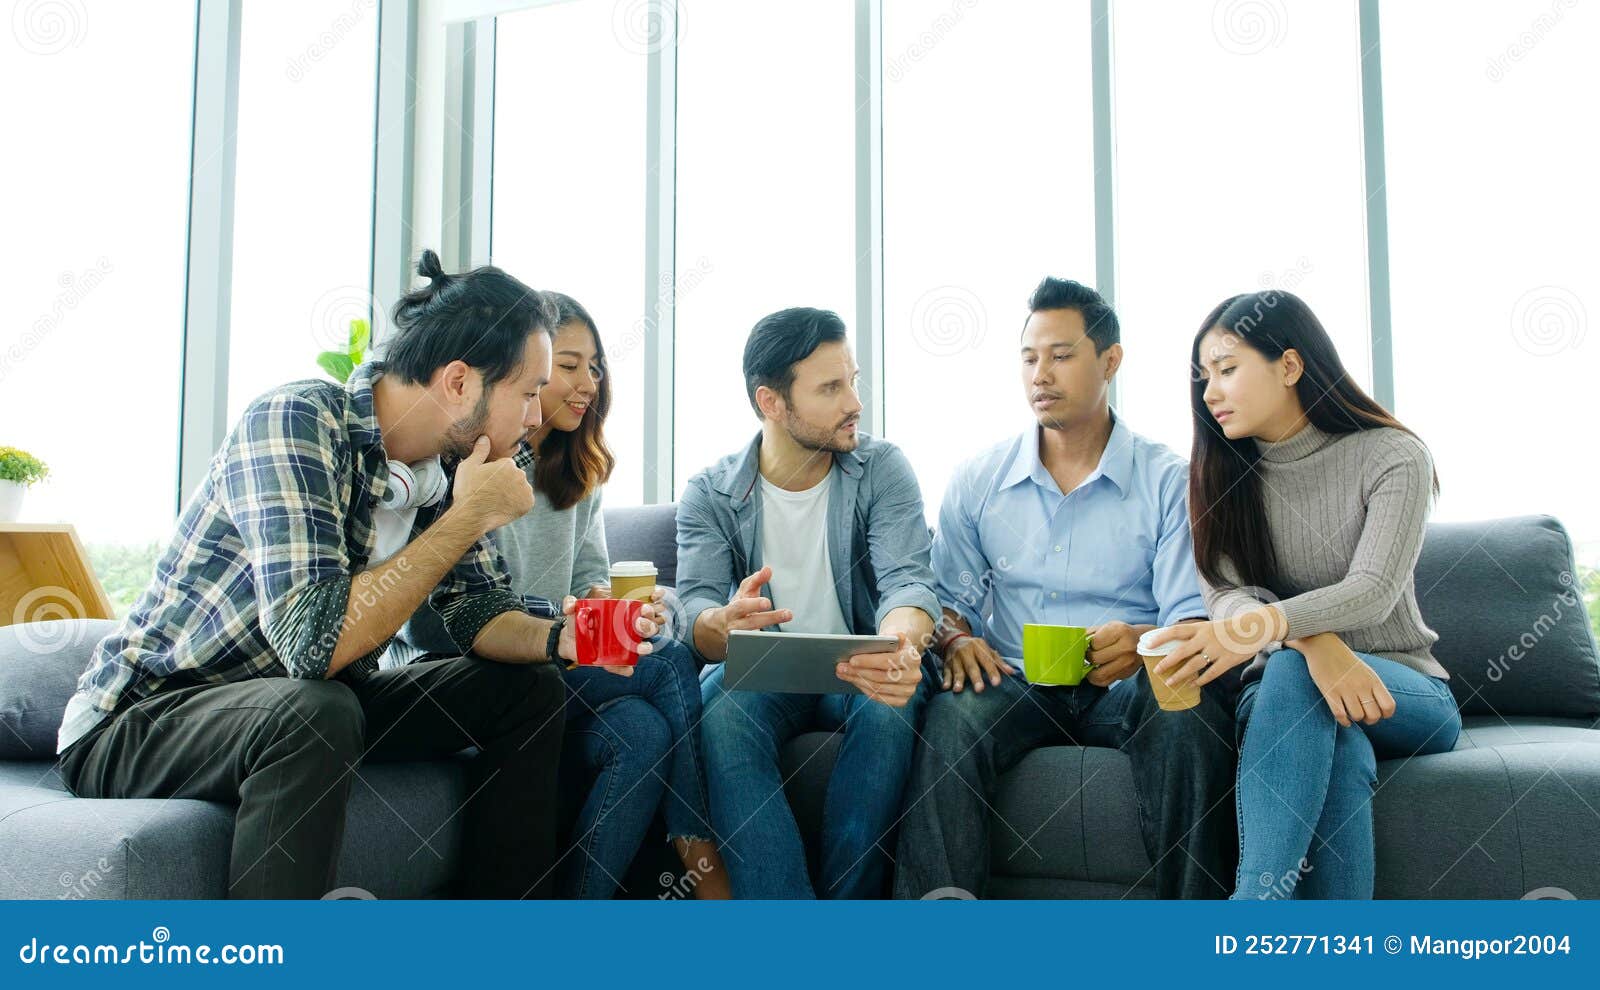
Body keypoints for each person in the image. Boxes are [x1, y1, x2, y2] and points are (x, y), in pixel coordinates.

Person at [54, 250, 659, 899]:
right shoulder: (296, 422)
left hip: (314, 700)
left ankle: (496, 934)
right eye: (528, 392)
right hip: (148, 718)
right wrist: (468, 517)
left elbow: (477, 611)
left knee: (528, 686)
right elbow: (312, 645)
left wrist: (561, 638)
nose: (537, 418)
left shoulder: (449, 465)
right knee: (317, 709)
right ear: (459, 382)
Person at [893, 277, 1238, 900]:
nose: (1040, 375)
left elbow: (1191, 620)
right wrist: (957, 640)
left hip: (1126, 682)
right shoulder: (978, 479)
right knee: (950, 716)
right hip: (1017, 678)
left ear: (1110, 361)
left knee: (1185, 709)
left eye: (1060, 355)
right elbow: (945, 603)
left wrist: (1141, 640)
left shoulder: (1170, 480)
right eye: (1029, 358)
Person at [397, 292, 727, 898]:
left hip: (554, 664)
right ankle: (704, 862)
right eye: (568, 367)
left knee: (641, 731)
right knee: (668, 667)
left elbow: (585, 587)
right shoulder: (476, 459)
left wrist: (620, 609)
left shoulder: (580, 473)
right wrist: (566, 618)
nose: (588, 383)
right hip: (473, 666)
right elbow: (447, 615)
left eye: (595, 368)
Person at [1150, 289, 1461, 899]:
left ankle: (1253, 910)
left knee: (1292, 671)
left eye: (1227, 369)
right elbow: (1225, 595)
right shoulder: (1217, 475)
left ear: (1289, 365)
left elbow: (1372, 591)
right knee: (1335, 743)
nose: (1209, 393)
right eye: (1204, 376)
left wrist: (1275, 635)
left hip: (1403, 688)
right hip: (1282, 697)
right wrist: (1314, 642)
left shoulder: (1393, 455)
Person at [678, 307, 938, 898]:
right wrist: (722, 623)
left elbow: (908, 582)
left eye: (853, 381)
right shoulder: (710, 493)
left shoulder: (882, 468)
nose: (855, 402)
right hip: (769, 672)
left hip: (863, 662)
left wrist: (901, 644)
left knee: (888, 704)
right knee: (721, 710)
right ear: (771, 402)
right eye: (830, 388)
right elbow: (694, 613)